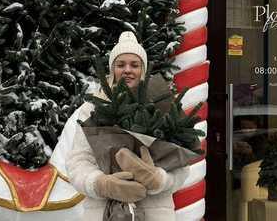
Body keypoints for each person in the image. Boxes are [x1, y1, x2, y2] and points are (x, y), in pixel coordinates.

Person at [65, 31, 189, 221]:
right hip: (102, 212)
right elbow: (78, 161)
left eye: (135, 65)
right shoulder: (92, 109)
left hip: (154, 213)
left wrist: (159, 179)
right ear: (112, 69)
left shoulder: (163, 107)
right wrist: (101, 184)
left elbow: (181, 165)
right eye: (120, 65)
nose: (127, 70)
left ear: (143, 70)